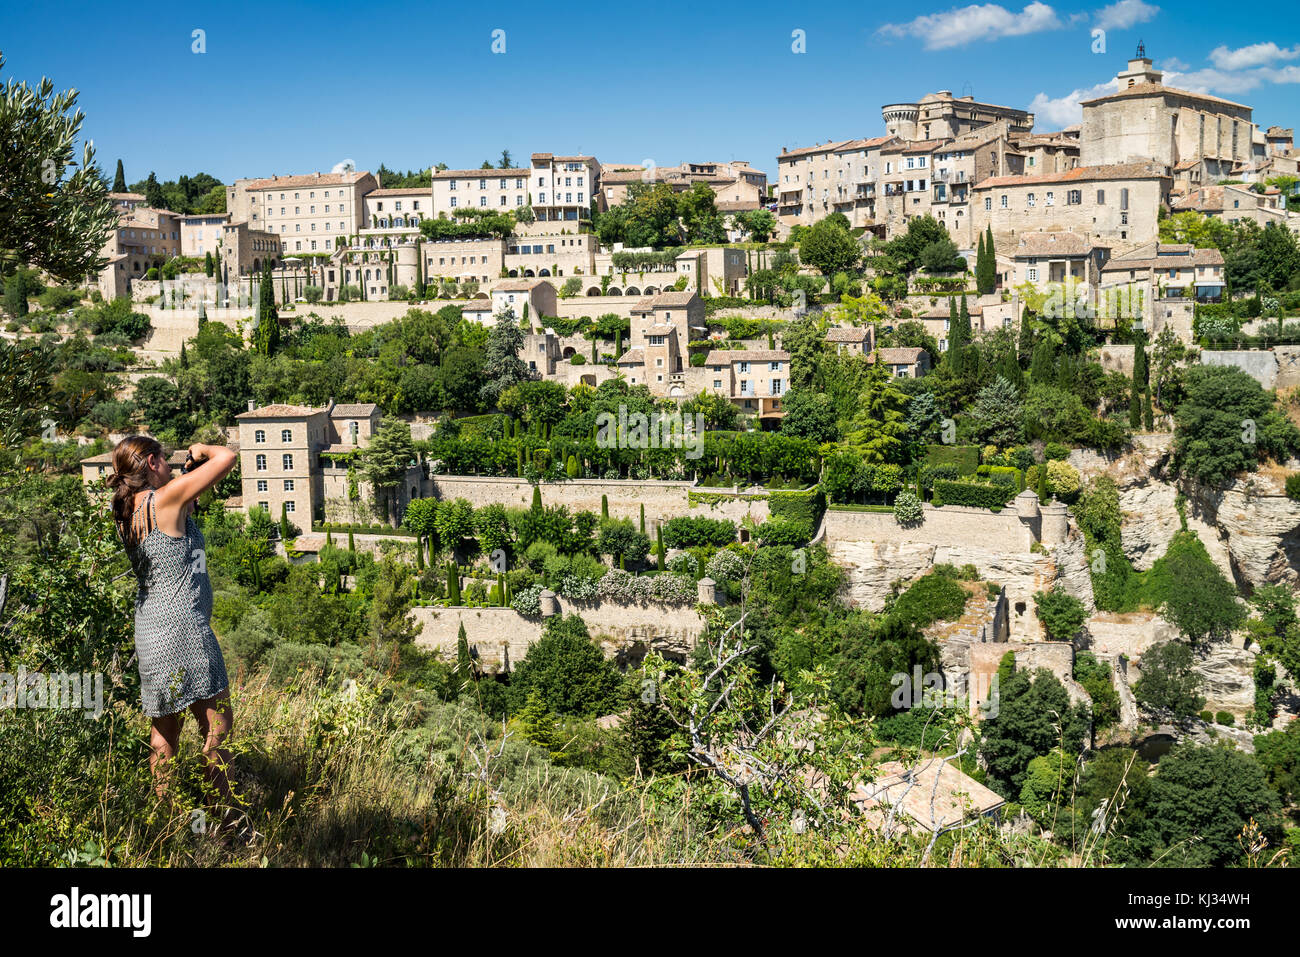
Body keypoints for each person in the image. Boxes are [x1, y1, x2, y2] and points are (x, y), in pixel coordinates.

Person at [107, 434, 247, 840]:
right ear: (151, 463)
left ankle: (171, 827)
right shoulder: (166, 499)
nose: (169, 465)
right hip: (185, 630)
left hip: (150, 632)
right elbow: (228, 458)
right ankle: (226, 828)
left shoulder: (129, 511)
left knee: (164, 735)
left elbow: (176, 518)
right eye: (164, 460)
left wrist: (182, 480)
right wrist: (203, 451)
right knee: (217, 732)